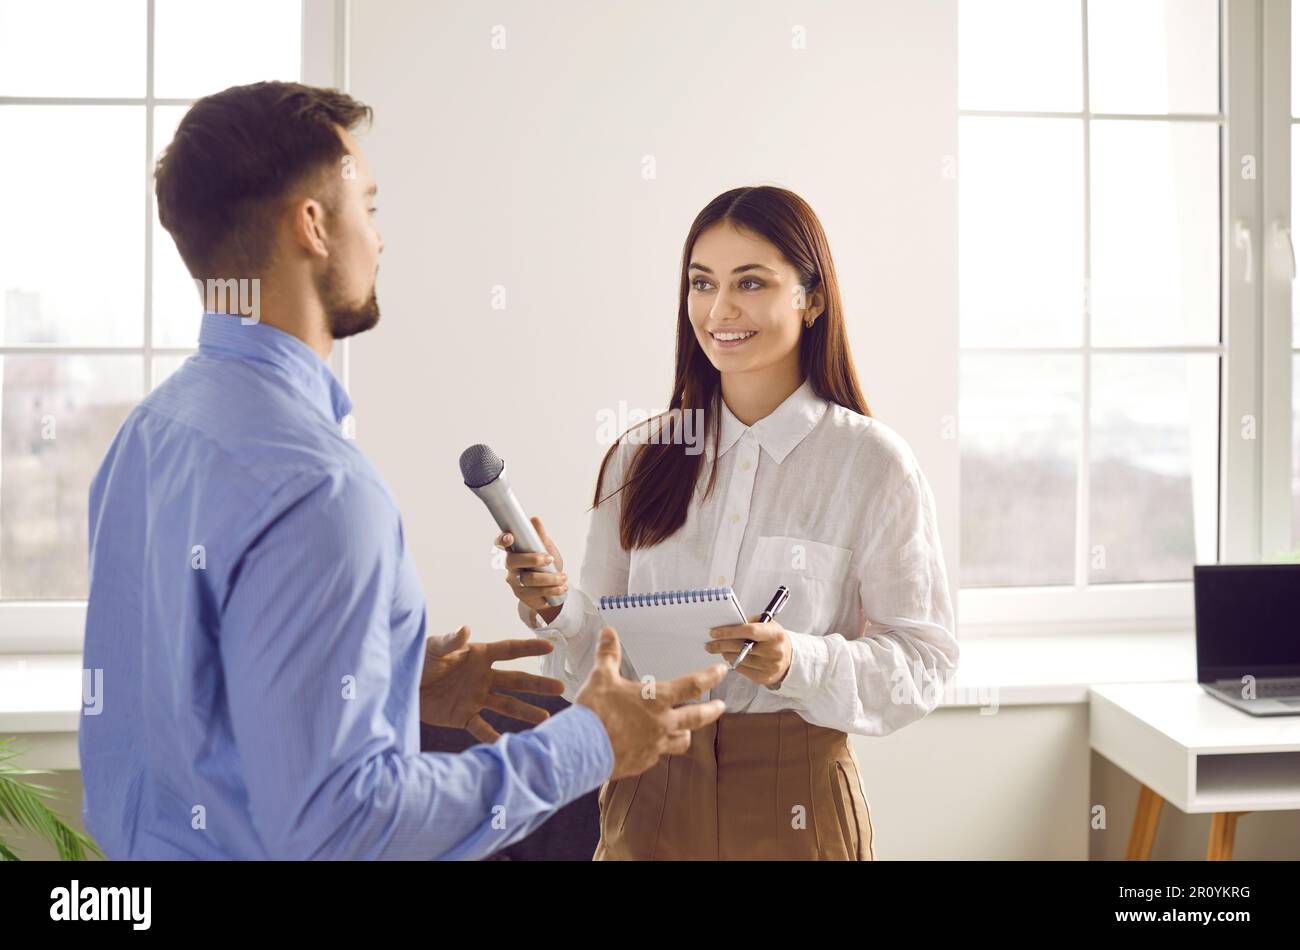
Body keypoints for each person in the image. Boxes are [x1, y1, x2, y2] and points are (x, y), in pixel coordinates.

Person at [79, 81, 727, 860]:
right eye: (371, 210)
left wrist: (381, 691)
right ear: (313, 226)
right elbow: (343, 827)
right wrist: (592, 742)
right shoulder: (320, 487)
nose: (380, 240)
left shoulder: (149, 436)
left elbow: (183, 710)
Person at [498, 186, 960, 860]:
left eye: (751, 282)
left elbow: (924, 661)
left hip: (797, 794)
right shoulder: (638, 457)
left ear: (812, 297)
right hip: (647, 785)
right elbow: (596, 658)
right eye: (701, 284)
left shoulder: (873, 464)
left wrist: (795, 660)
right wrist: (558, 609)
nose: (720, 311)